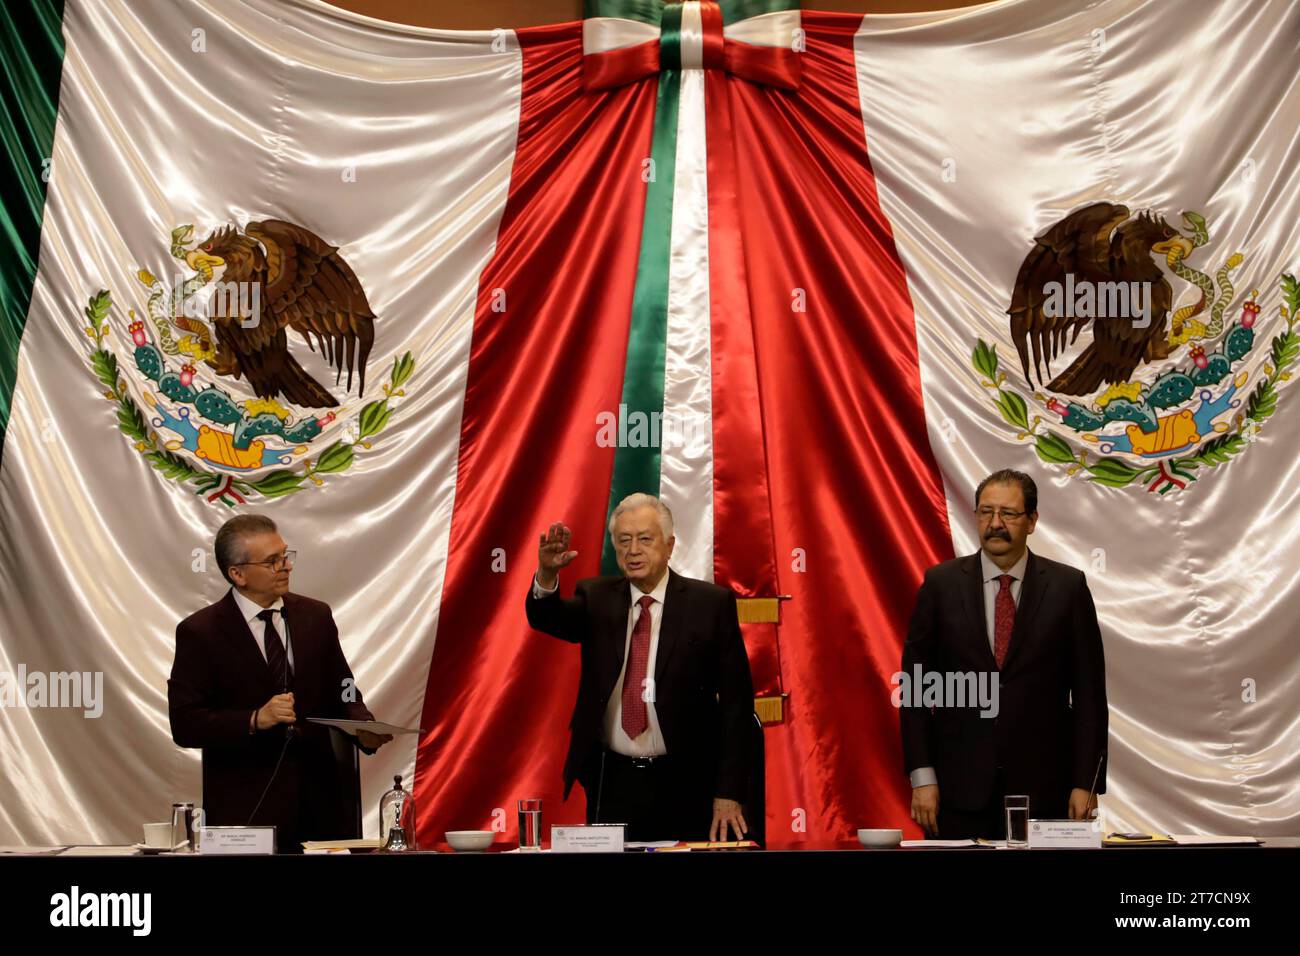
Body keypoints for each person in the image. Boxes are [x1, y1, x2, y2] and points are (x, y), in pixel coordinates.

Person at [526, 493, 755, 842]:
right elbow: (548, 618)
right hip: (612, 779)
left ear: (669, 545)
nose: (633, 550)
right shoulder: (597, 597)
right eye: (623, 540)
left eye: (645, 539)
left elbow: (737, 707)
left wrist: (729, 792)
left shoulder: (710, 605)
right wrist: (546, 574)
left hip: (688, 779)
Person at [900, 469, 1108, 839]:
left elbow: (1090, 696)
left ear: (1032, 521)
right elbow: (916, 692)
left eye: (1009, 514)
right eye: (985, 512)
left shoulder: (1068, 588)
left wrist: (1085, 783)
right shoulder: (939, 585)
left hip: (1047, 791)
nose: (995, 524)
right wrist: (922, 776)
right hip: (956, 792)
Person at [167, 514, 390, 852]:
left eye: (285, 556)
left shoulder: (315, 616)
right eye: (272, 561)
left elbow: (342, 689)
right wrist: (255, 719)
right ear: (237, 574)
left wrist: (364, 725)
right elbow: (185, 724)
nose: (285, 567)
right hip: (246, 811)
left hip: (322, 807)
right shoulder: (200, 632)